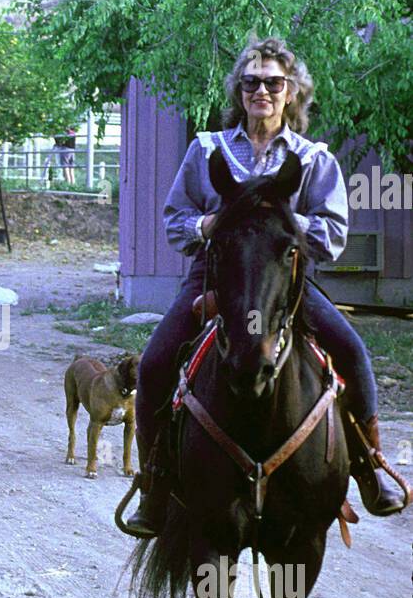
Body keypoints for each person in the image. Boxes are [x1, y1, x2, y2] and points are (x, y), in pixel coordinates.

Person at [125, 35, 410, 538]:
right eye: (252, 82)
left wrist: (276, 228)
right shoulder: (206, 150)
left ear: (291, 92)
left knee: (353, 351)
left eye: (274, 83)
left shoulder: (313, 159)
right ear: (240, 91)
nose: (263, 91)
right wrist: (208, 228)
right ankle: (154, 486)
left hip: (286, 284)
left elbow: (332, 234)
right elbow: (175, 220)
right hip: (213, 281)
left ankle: (370, 471)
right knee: (152, 364)